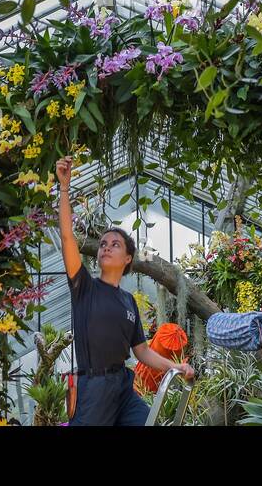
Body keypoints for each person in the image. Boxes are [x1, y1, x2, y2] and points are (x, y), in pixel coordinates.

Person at [55, 155, 195, 426]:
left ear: (128, 258)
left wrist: (173, 366)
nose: (106, 246)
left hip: (122, 385)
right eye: (103, 243)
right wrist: (64, 189)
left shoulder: (128, 301)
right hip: (92, 389)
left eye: (115, 244)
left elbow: (142, 351)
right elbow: (66, 237)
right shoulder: (84, 286)